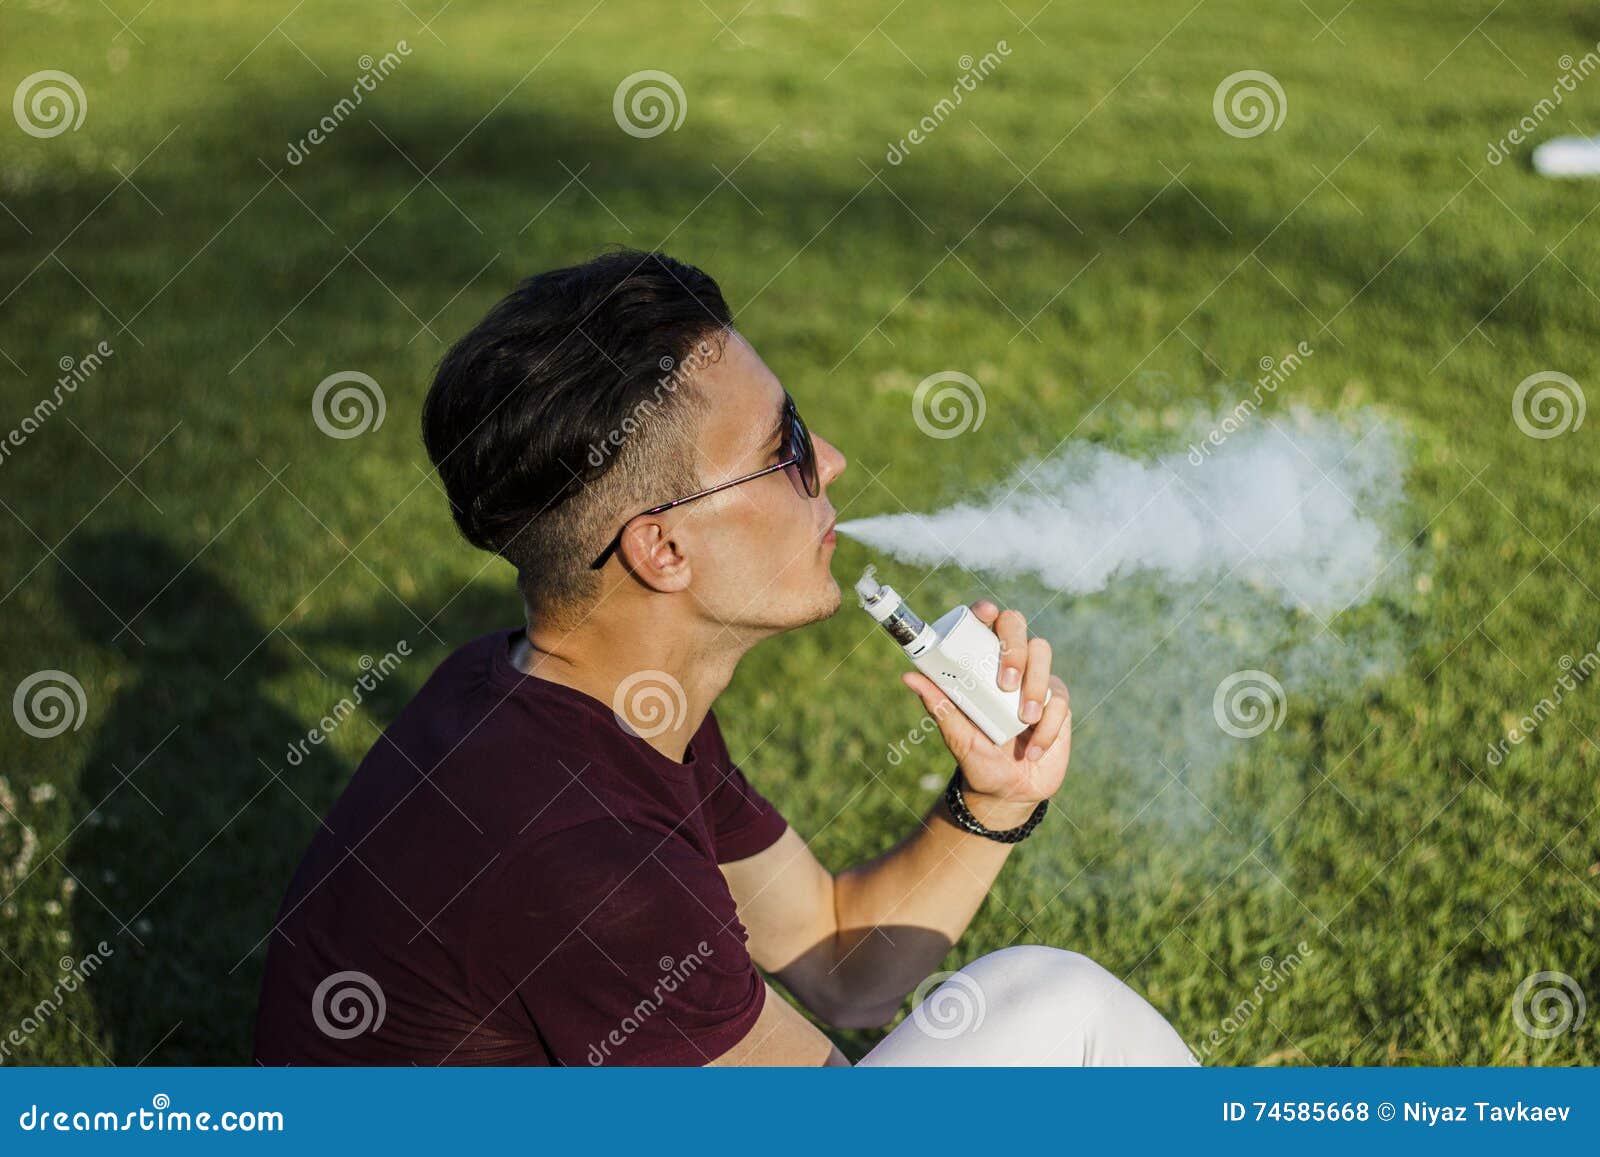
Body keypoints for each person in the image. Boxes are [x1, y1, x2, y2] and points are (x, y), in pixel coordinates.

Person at [252, 249, 1195, 1067]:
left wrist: (995, 799)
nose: (827, 460)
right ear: (663, 550)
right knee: (1057, 1008)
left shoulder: (582, 701)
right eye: (781, 445)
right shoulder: (585, 855)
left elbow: (837, 959)